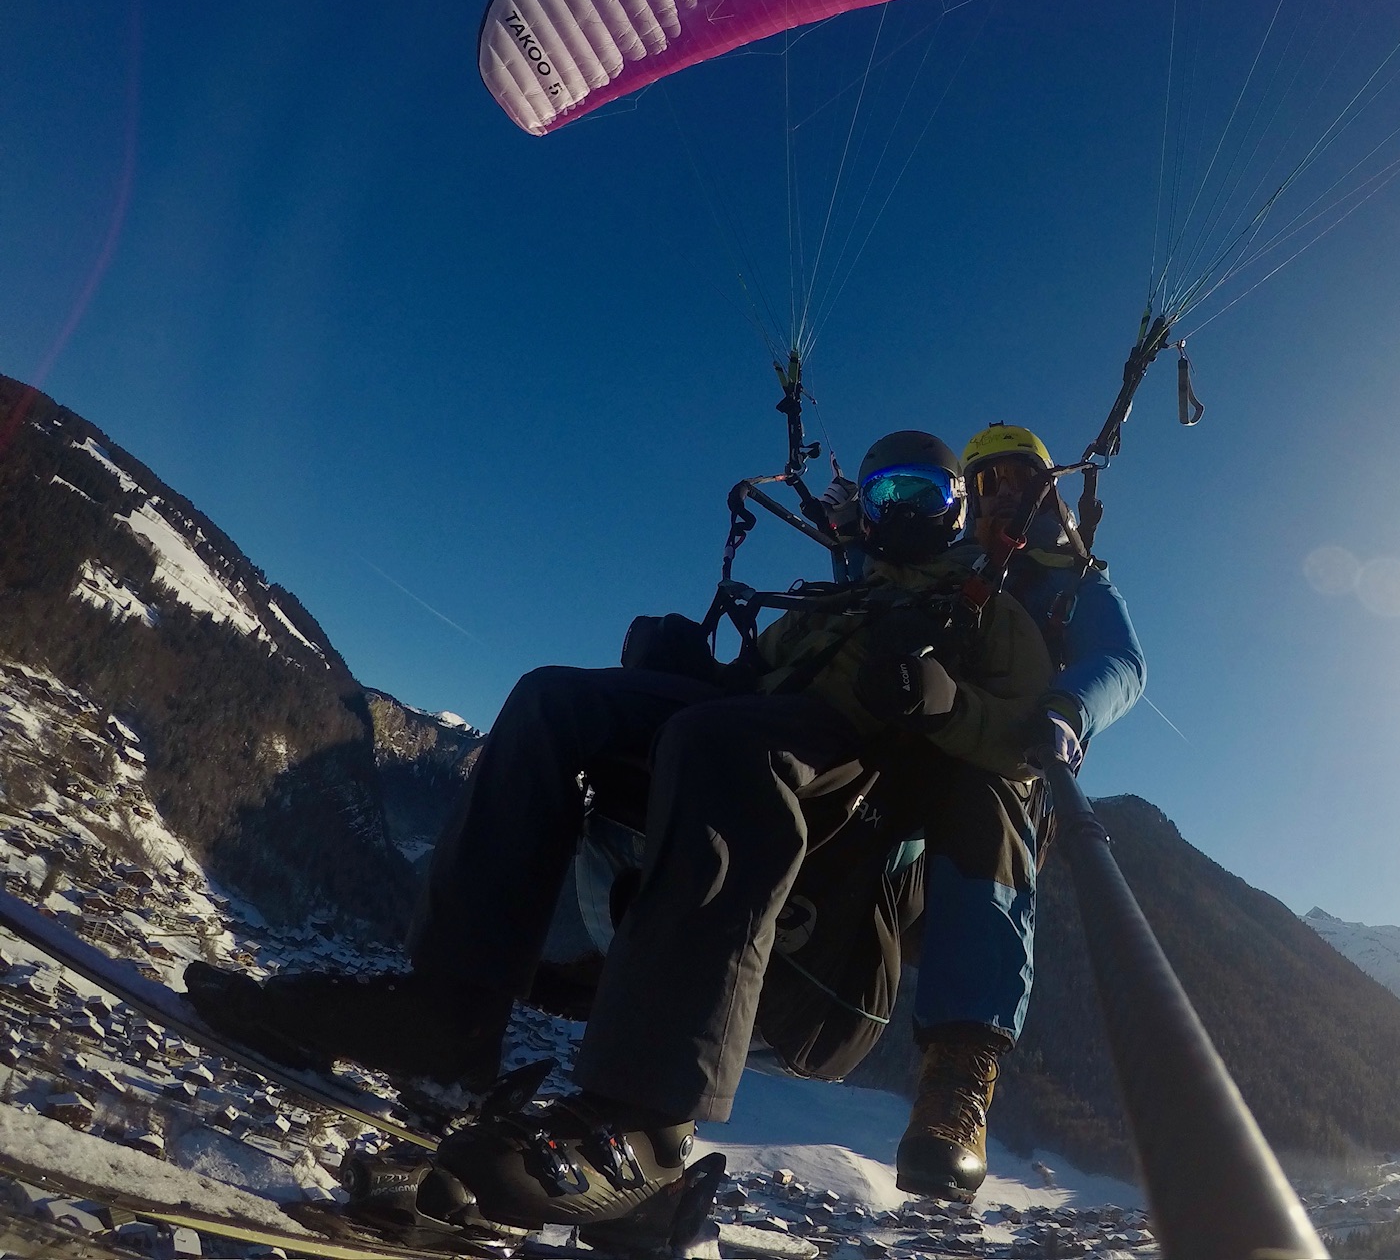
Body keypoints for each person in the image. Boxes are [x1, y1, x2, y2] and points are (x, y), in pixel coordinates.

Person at [188, 431, 1053, 1230]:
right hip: (752, 725)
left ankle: (648, 1119)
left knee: (718, 741)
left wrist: (945, 701)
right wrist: (685, 665)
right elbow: (746, 685)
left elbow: (1020, 750)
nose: (903, 504)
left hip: (861, 763)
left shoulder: (988, 611)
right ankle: (448, 1015)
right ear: (864, 501)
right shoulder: (827, 600)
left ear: (954, 507)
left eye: (926, 488)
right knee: (552, 700)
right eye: (886, 486)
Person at [886, 423, 1146, 1202]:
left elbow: (1123, 662)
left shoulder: (1073, 583)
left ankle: (961, 1072)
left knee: (984, 797)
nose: (1002, 492)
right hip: (900, 744)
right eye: (986, 480)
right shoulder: (945, 563)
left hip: (998, 762)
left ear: (1046, 489)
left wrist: (1068, 709)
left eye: (1017, 478)